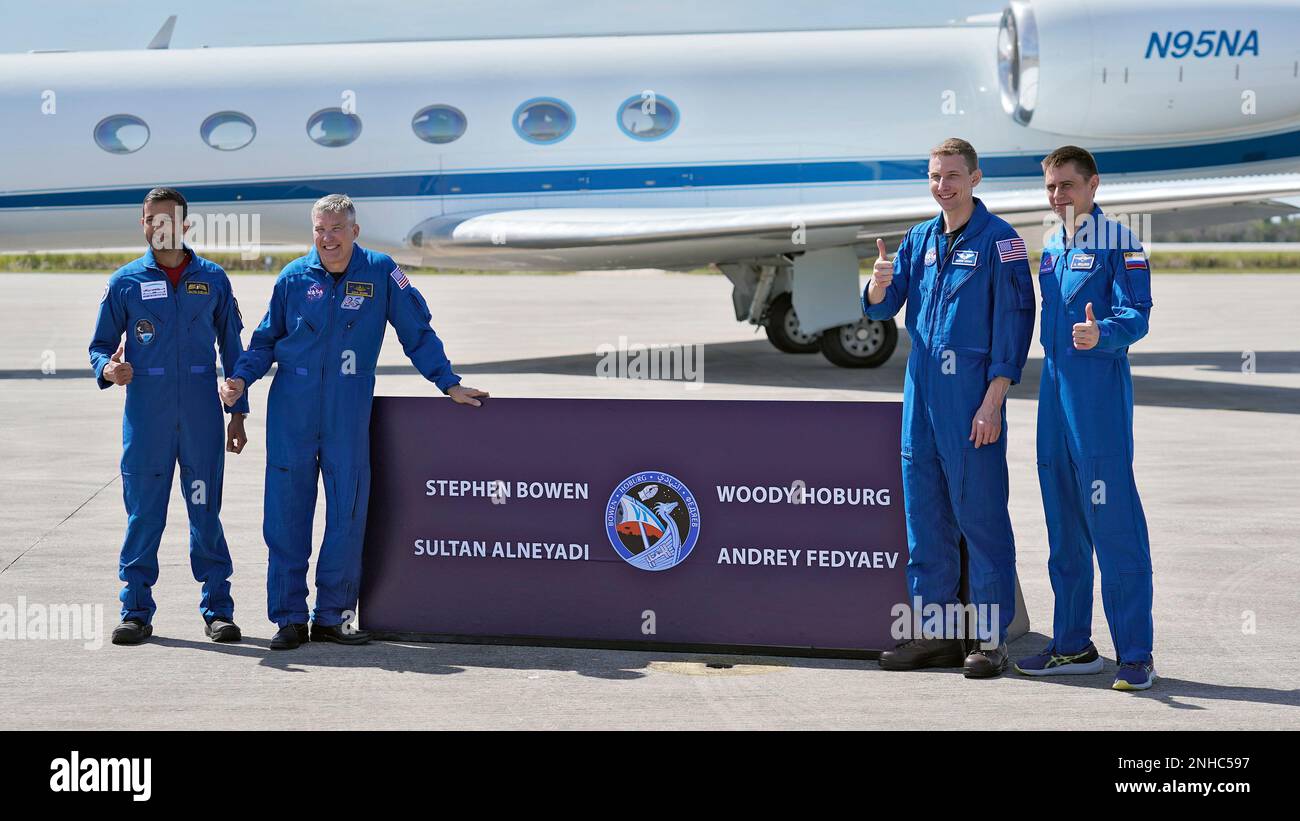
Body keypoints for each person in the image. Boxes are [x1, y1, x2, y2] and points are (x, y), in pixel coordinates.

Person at [221, 194, 487, 650]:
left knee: (347, 512)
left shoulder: (383, 272)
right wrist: (240, 380)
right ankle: (288, 618)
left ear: (355, 231)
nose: (328, 238)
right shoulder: (293, 277)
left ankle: (333, 617)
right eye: (320, 230)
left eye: (337, 229)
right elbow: (265, 339)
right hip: (293, 409)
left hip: (348, 408)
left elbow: (416, 333)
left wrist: (448, 383)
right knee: (286, 518)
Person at [865, 138, 1035, 677]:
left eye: (953, 176)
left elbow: (1014, 326)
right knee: (926, 517)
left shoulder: (1000, 243)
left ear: (976, 178)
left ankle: (990, 641)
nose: (944, 186)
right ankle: (934, 635)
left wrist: (993, 402)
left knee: (981, 517)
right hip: (921, 389)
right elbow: (885, 308)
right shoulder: (918, 239)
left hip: (971, 397)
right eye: (936, 176)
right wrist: (876, 284)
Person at [1014, 146, 1156, 691]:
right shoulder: (1051, 245)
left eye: (1067, 186)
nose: (1057, 197)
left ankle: (1136, 654)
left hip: (1097, 397)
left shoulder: (1120, 242)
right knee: (1063, 528)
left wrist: (1104, 335)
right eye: (1050, 187)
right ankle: (1072, 645)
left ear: (1093, 185)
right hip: (1055, 396)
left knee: (1114, 525)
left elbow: (1136, 314)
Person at [89, 187, 249, 645]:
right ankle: (136, 610)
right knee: (143, 515)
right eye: (151, 220)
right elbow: (99, 346)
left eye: (168, 220)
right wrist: (110, 369)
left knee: (206, 513)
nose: (160, 227)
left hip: (201, 420)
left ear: (185, 225)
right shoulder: (125, 282)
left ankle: (218, 609)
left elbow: (233, 349)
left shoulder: (213, 279)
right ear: (143, 225)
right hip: (147, 422)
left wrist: (237, 413)